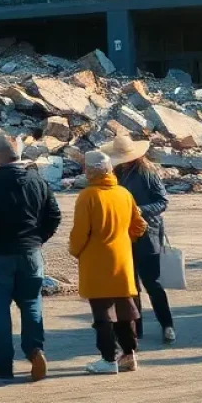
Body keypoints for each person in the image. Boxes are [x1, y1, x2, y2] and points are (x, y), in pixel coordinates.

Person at [0, 134, 61, 382]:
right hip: (30, 254)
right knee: (31, 303)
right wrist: (39, 238)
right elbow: (54, 215)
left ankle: (2, 364)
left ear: (1, 155)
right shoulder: (37, 181)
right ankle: (34, 350)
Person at [69, 151, 148, 375]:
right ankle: (129, 355)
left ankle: (107, 358)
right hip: (122, 259)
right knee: (125, 309)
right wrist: (125, 240)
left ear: (91, 171)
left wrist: (75, 251)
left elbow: (80, 233)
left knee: (102, 312)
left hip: (97, 261)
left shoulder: (88, 196)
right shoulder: (123, 193)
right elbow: (140, 224)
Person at [101, 134, 177, 343]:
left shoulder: (147, 173)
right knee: (130, 285)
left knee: (152, 283)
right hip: (123, 235)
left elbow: (162, 202)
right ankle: (136, 328)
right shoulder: (115, 173)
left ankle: (167, 325)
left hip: (147, 234)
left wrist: (136, 211)